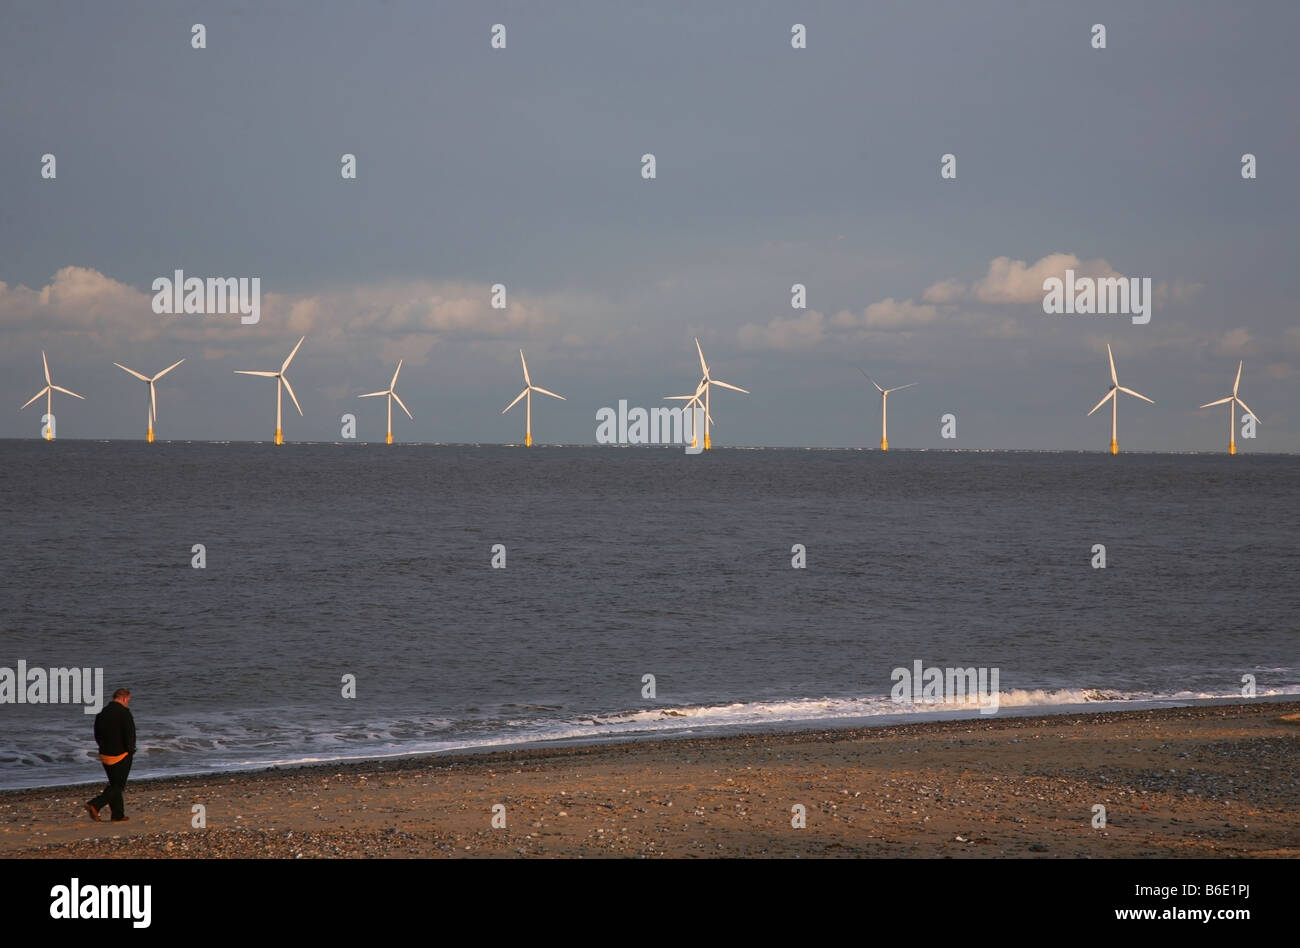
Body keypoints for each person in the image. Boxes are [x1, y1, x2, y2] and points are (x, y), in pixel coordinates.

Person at [86, 688, 136, 823]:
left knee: (114, 784)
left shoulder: (102, 713)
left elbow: (97, 734)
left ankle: (118, 815)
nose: (128, 703)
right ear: (124, 698)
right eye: (128, 701)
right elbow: (130, 734)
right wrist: (130, 750)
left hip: (104, 754)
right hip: (121, 754)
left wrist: (102, 747)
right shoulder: (124, 713)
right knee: (118, 786)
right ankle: (95, 804)